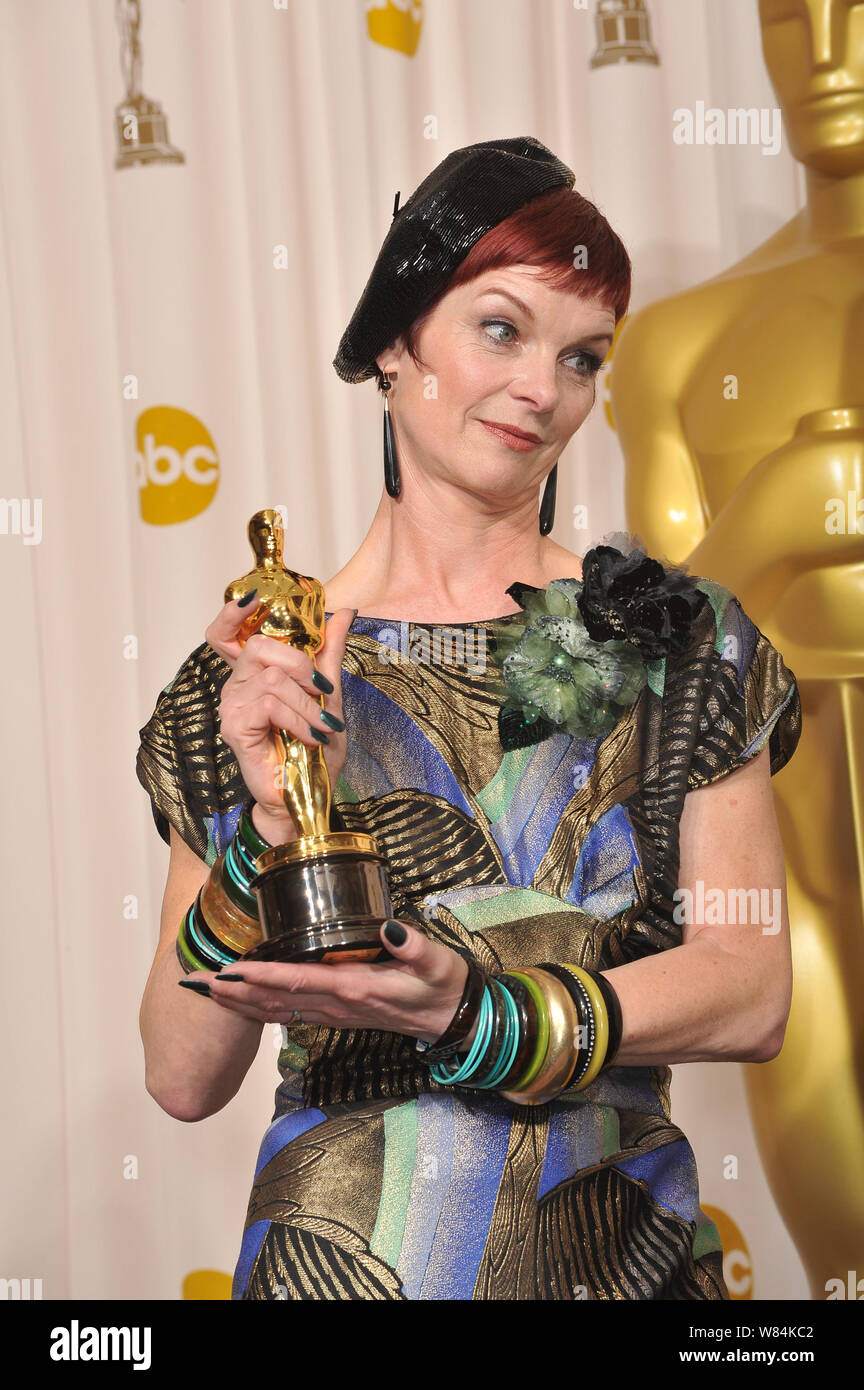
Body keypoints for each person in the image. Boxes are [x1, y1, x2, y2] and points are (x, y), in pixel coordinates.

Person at [136, 136, 802, 1301]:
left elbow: (750, 987)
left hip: (623, 1266)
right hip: (338, 1267)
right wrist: (265, 828)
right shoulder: (259, 667)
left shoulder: (682, 639)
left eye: (583, 356)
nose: (545, 390)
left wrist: (481, 1013)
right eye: (501, 328)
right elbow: (183, 1072)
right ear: (396, 339)